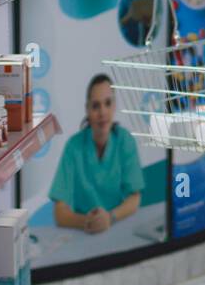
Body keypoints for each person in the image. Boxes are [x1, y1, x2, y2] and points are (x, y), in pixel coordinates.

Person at [50, 74, 144, 234]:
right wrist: (87, 222)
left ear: (114, 105)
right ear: (87, 109)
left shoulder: (125, 140)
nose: (102, 112)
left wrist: (110, 217)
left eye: (108, 103)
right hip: (83, 233)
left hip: (118, 228)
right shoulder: (74, 147)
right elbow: (59, 212)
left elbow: (135, 198)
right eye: (95, 106)